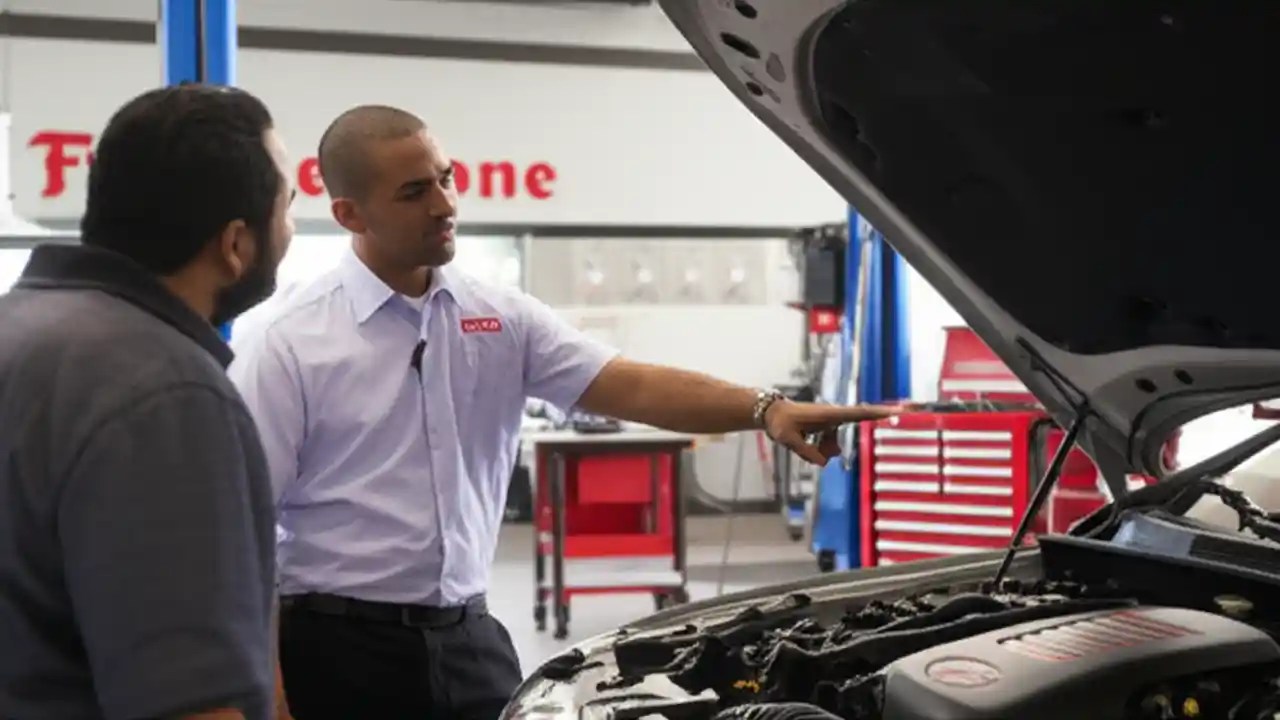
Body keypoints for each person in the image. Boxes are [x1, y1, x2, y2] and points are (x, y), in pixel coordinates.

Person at [227, 104, 900, 720]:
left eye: (445, 178)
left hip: (470, 641)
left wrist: (765, 409)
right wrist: (273, 698)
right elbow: (243, 535)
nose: (444, 204)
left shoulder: (498, 316)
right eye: (414, 192)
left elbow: (629, 385)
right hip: (337, 650)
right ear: (349, 214)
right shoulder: (289, 342)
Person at [0, 84, 296, 720]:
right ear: (236, 244)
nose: (291, 227)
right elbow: (189, 702)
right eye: (289, 206)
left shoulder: (20, 329)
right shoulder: (165, 393)